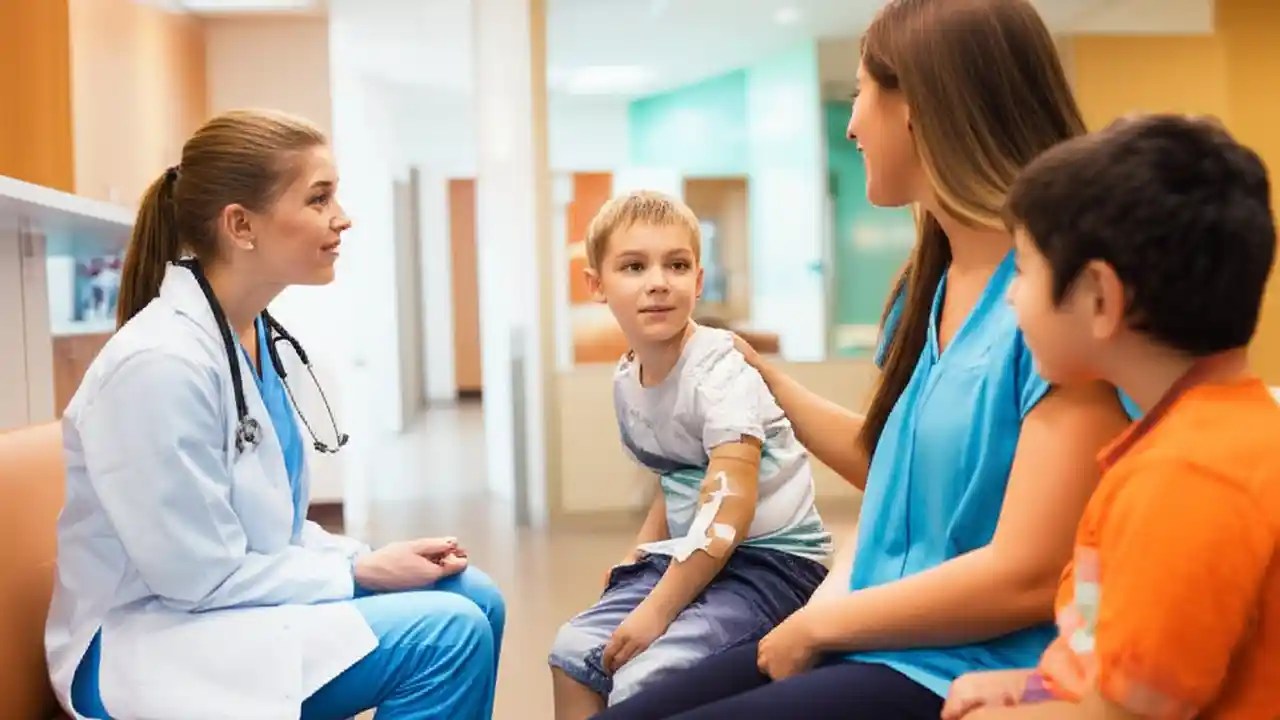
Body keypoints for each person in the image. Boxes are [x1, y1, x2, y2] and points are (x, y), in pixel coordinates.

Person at [596, 1, 1132, 718]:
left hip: (966, 664)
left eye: (859, 93)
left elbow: (1030, 577)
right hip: (877, 637)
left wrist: (821, 622)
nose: (850, 125)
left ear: (917, 105)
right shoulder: (929, 288)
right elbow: (898, 478)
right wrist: (770, 384)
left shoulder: (1056, 308)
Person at [45, 109, 505, 720]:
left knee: (479, 598)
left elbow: (270, 533)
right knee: (448, 635)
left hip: (215, 611)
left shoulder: (248, 338)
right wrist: (361, 572)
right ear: (240, 225)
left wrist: (358, 559)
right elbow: (195, 578)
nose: (343, 217)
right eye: (320, 198)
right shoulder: (159, 365)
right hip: (145, 643)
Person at [944, 115, 1280, 719]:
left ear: (1100, 297)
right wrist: (1035, 686)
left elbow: (1135, 712)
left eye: (1022, 270)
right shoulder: (1208, 437)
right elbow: (1125, 658)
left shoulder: (1188, 477)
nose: (1013, 296)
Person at [547, 191, 832, 718]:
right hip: (696, 553)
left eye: (676, 265)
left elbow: (729, 509)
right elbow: (675, 476)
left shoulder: (719, 372)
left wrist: (656, 610)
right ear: (596, 286)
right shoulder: (628, 379)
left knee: (642, 675)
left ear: (698, 281)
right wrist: (637, 557)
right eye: (633, 266)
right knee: (571, 650)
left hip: (772, 565)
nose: (658, 281)